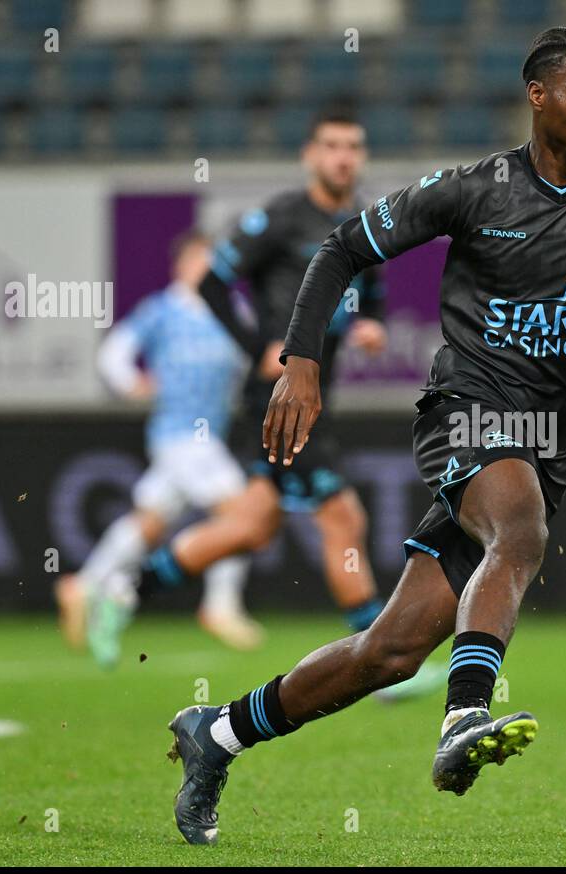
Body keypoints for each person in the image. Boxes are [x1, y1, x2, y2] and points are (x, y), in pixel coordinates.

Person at [166, 26, 566, 845]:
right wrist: (303, 361)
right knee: (520, 529)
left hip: (557, 439)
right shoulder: (473, 190)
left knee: (388, 652)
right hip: (467, 404)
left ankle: (216, 734)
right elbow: (341, 249)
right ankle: (466, 715)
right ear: (538, 97)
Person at [88, 113, 441, 702]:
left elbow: (372, 296)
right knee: (342, 517)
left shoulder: (368, 228)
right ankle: (378, 665)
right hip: (278, 400)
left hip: (316, 398)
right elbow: (212, 285)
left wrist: (372, 327)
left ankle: (125, 589)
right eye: (331, 146)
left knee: (250, 527)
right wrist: (259, 349)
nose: (343, 157)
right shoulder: (279, 219)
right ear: (311, 155)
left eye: (353, 146)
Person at [55, 230, 260, 667]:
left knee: (148, 525)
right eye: (201, 262)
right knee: (242, 513)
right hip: (180, 436)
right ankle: (220, 605)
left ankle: (85, 586)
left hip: (208, 438)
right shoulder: (163, 312)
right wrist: (133, 383)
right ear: (181, 266)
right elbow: (113, 354)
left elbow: (252, 362)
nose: (209, 272)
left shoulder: (231, 310)